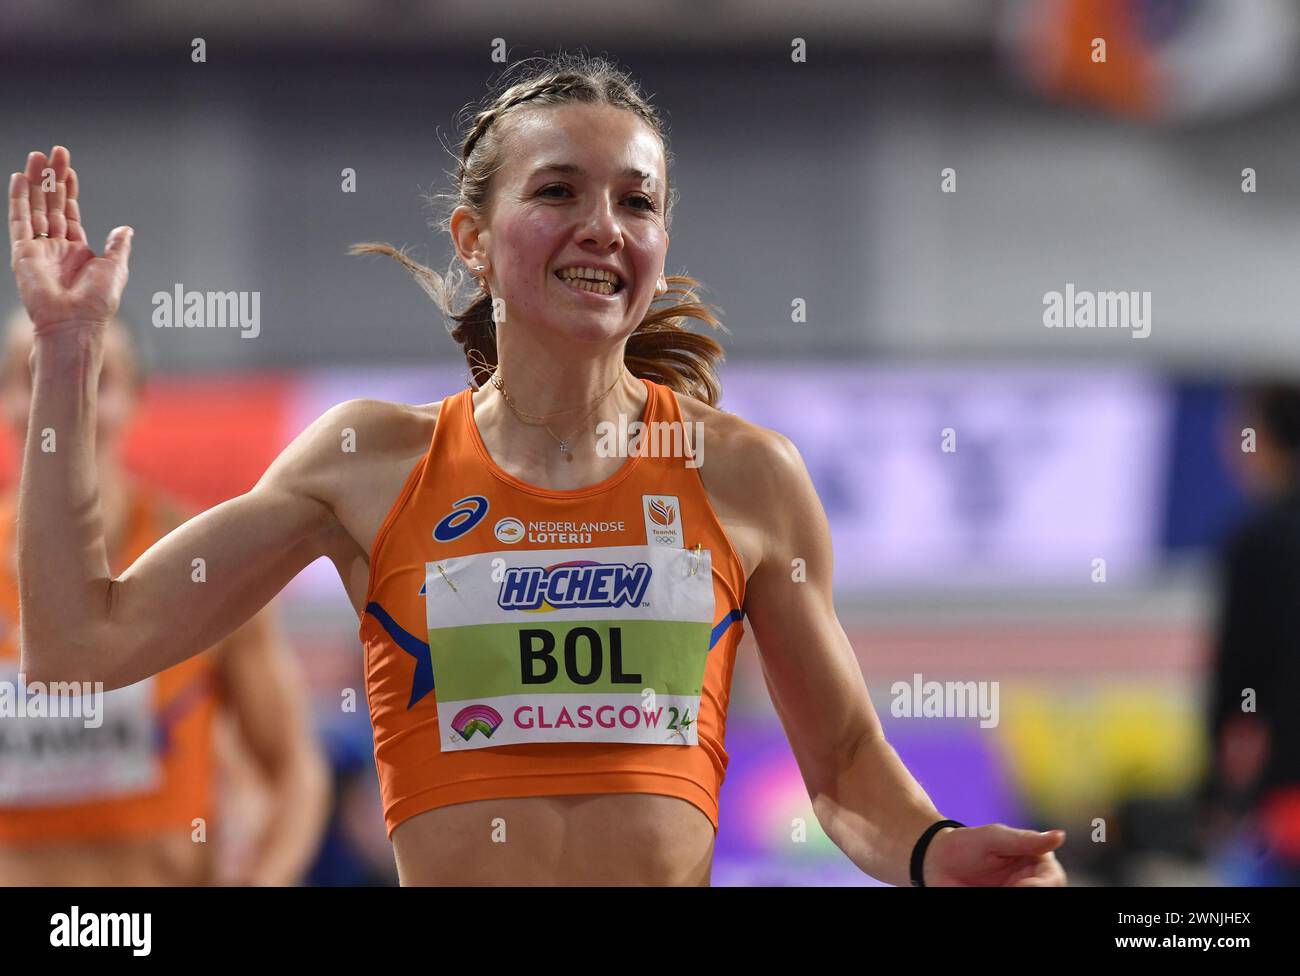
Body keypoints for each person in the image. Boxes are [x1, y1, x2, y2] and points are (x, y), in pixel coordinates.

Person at [8, 52, 1066, 886]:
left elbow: (842, 770)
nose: (602, 227)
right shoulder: (369, 463)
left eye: (636, 200)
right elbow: (76, 642)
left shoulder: (744, 477)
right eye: (558, 190)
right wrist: (66, 352)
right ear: (474, 238)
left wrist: (932, 851)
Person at [0, 307, 331, 885]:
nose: (66, 401)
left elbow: (294, 771)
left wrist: (263, 879)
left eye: (95, 379)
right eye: (39, 377)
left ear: (136, 399)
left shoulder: (208, 563)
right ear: (7, 399)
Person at [1203, 383, 1300, 884]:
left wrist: (1216, 795)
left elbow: (1238, 684)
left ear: (1259, 439)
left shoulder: (1259, 543)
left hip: (1289, 802)